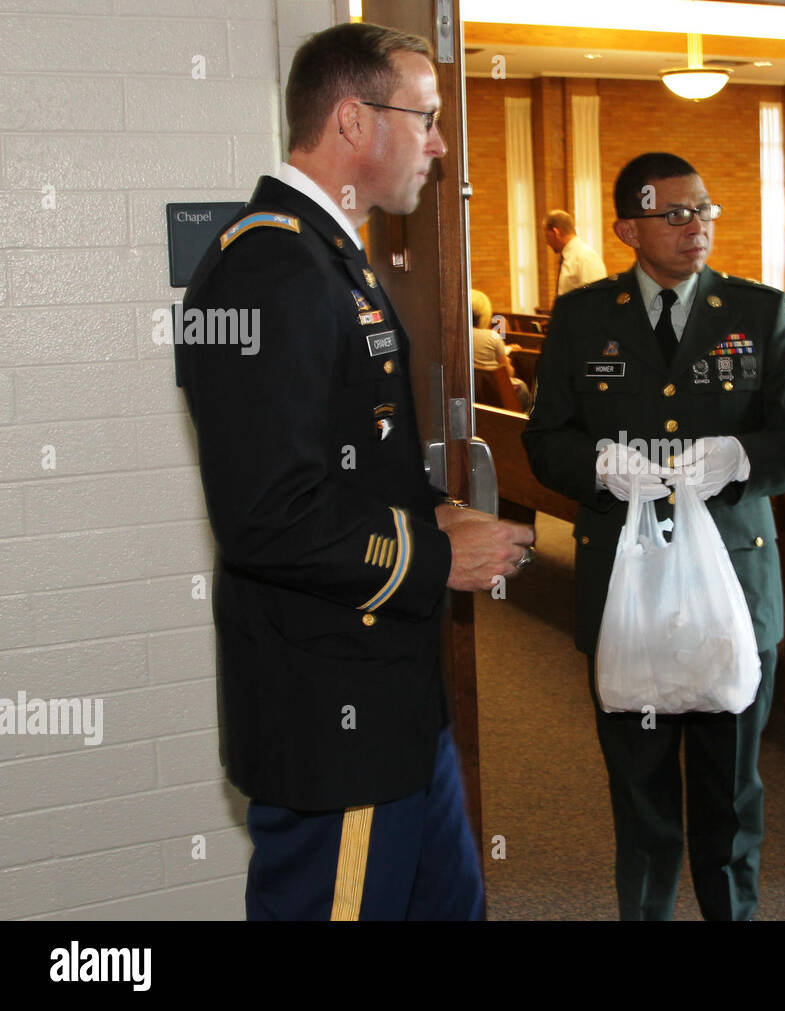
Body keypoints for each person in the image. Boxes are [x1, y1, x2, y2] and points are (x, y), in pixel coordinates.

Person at [176, 22, 535, 921]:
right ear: (351, 121)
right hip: (335, 713)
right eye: (427, 118)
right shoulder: (272, 264)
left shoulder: (331, 256)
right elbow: (268, 512)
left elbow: (354, 469)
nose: (442, 144)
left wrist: (436, 518)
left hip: (392, 708)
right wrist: (432, 556)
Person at [523, 152, 785, 920]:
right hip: (626, 592)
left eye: (705, 211)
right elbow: (544, 439)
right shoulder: (585, 316)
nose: (698, 228)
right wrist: (598, 465)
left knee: (729, 801)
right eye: (676, 214)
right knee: (641, 801)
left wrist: (741, 457)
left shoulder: (759, 312)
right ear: (628, 227)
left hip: (733, 587)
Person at [470, 288, 532, 411]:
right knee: (523, 388)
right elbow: (508, 373)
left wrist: (504, 348)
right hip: (498, 397)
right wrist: (508, 362)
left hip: (474, 394)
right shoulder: (493, 336)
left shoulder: (457, 336)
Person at [543, 209, 607, 300]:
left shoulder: (585, 257)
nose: (547, 242)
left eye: (547, 236)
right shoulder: (569, 257)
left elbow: (596, 299)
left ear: (556, 232)